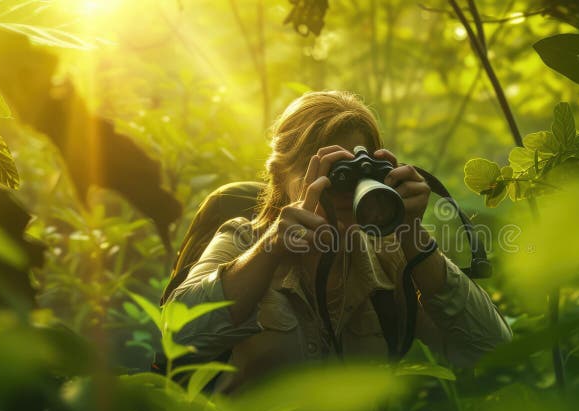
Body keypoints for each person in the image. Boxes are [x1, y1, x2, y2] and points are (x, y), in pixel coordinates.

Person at [167, 91, 512, 394]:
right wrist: (271, 247)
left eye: (355, 172)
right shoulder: (243, 241)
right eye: (327, 169)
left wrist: (413, 236)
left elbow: (494, 354)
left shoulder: (390, 261)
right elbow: (177, 336)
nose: (342, 189)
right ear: (279, 175)